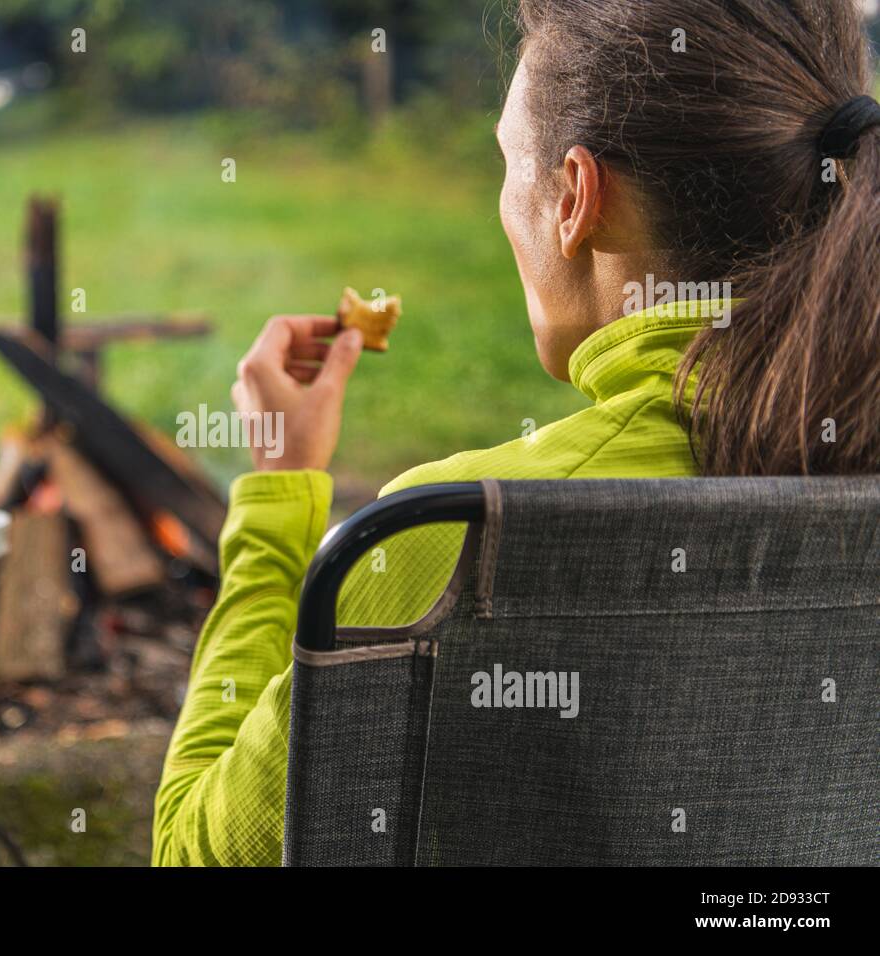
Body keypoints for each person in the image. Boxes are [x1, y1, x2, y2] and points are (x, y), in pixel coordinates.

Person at [153, 0, 880, 866]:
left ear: (576, 197)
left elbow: (195, 848)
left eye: (507, 162)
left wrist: (278, 493)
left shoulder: (445, 538)